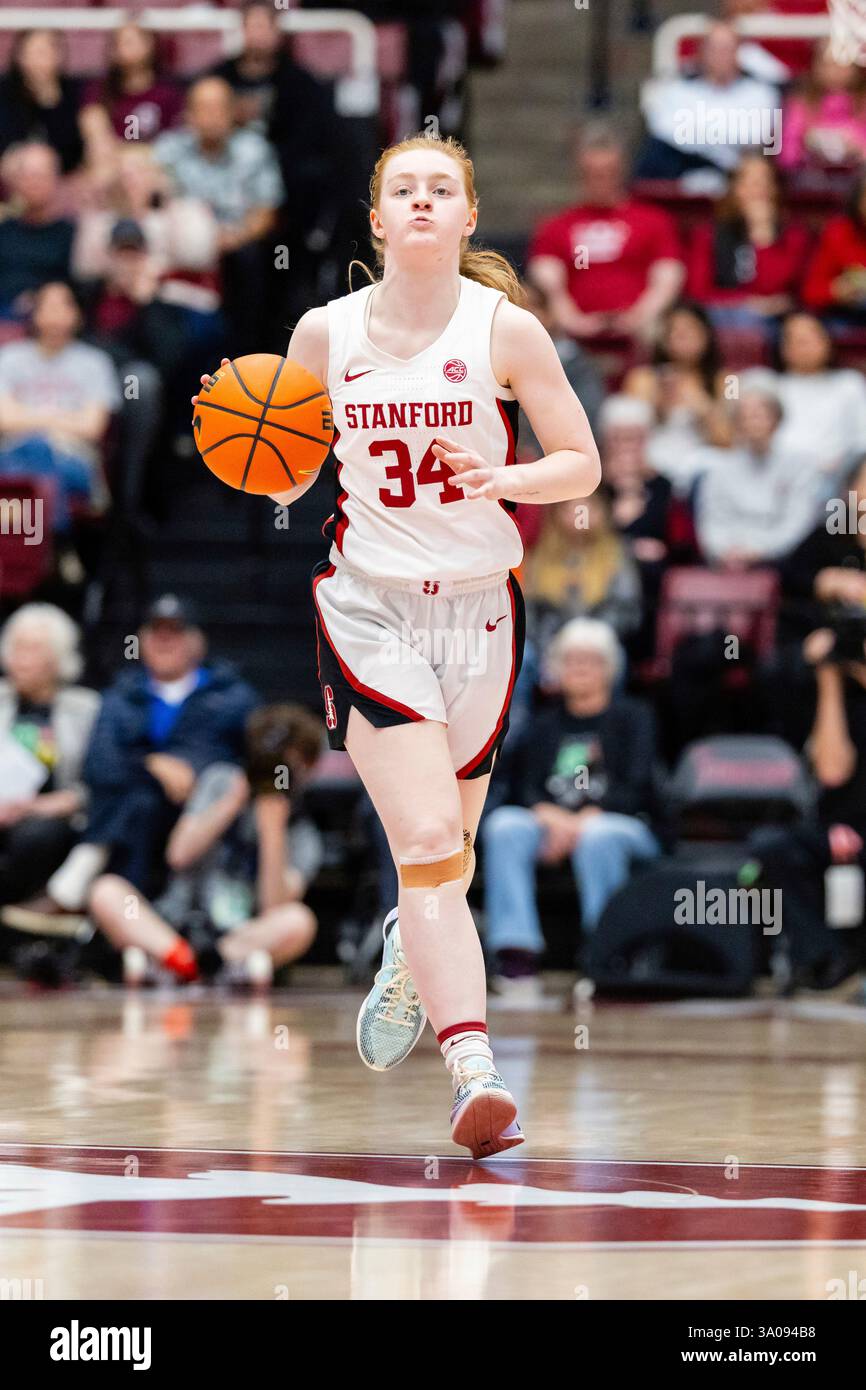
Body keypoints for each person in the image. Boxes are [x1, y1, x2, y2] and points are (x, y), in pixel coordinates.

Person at [194, 132, 600, 1158]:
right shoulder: (326, 333)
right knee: (425, 847)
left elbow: (581, 464)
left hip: (483, 610)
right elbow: (289, 473)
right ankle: (475, 1072)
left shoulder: (507, 330)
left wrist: (501, 479)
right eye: (403, 190)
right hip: (369, 606)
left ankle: (405, 954)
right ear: (378, 220)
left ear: (466, 216)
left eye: (442, 189)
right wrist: (252, 453)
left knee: (444, 863)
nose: (422, 201)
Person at [482, 619, 660, 1003]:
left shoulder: (634, 717)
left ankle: (606, 950)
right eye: (570, 660)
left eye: (591, 661)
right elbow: (524, 786)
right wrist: (549, 815)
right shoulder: (543, 725)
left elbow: (640, 785)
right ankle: (517, 954)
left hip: (620, 823)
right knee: (503, 826)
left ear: (610, 669)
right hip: (553, 821)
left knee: (598, 837)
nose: (579, 668)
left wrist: (586, 819)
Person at [88, 703, 324, 989]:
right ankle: (182, 960)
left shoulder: (303, 834)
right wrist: (230, 804)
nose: (275, 775)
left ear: (308, 769)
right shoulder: (220, 781)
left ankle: (198, 965)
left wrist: (272, 832)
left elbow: (272, 906)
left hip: (239, 934)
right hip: (176, 921)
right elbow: (178, 855)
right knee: (106, 891)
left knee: (299, 921)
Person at [49, 595, 259, 911]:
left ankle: (89, 869)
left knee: (141, 801)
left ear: (197, 642)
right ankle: (128, 913)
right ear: (141, 640)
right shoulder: (121, 693)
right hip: (134, 810)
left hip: (202, 813)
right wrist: (152, 765)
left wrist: (192, 769)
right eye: (155, 631)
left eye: (175, 631)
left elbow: (255, 761)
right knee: (138, 801)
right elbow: (99, 765)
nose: (164, 640)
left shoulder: (233, 697)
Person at [747, 623, 866, 991]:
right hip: (841, 827)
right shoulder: (829, 696)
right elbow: (831, 770)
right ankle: (828, 955)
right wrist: (829, 679)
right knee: (771, 846)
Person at [153, 77, 285, 355]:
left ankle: (246, 355)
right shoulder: (170, 150)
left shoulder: (254, 149)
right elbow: (154, 201)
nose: (212, 117)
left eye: (219, 108)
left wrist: (229, 239)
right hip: (181, 243)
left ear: (232, 113)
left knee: (252, 260)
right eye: (204, 108)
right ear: (189, 115)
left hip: (235, 243)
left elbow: (266, 211)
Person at [526, 124, 684, 348]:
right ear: (580, 173)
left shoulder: (653, 221)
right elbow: (549, 285)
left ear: (621, 171)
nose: (601, 180)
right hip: (571, 328)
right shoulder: (556, 227)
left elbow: (667, 279)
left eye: (608, 172)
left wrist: (639, 316)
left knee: (662, 334)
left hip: (642, 326)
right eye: (593, 174)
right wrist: (573, 320)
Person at [0, 605, 100, 910]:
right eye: (16, 649)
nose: (22, 660)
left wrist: (38, 806)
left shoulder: (86, 709)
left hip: (51, 817)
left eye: (33, 650)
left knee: (36, 836)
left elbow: (99, 784)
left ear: (58, 658)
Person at [0, 281, 120, 531]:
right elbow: (4, 419)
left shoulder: (95, 363)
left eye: (63, 306)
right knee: (34, 451)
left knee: (37, 463)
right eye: (48, 306)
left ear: (77, 314)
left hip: (73, 458)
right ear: (35, 314)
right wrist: (60, 419)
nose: (55, 315)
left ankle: (35, 546)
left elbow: (91, 427)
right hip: (13, 453)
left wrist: (32, 419)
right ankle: (56, 543)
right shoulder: (9, 357)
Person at [693, 385, 824, 570]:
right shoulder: (718, 469)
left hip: (784, 561)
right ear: (735, 423)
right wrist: (724, 551)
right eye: (745, 416)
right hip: (726, 559)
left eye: (760, 414)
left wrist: (759, 551)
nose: (753, 422)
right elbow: (711, 521)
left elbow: (797, 523)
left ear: (777, 419)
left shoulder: (801, 465)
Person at [636, 21, 781, 184]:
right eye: (714, 48)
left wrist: (695, 129)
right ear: (701, 52)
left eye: (727, 48)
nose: (720, 55)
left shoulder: (760, 92)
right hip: (682, 166)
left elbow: (756, 135)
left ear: (739, 53)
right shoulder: (677, 90)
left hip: (737, 172)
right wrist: (725, 133)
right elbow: (662, 130)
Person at [685, 154, 811, 340]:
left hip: (778, 322)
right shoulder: (708, 235)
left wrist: (762, 238)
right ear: (733, 189)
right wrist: (745, 303)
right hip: (722, 317)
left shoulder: (794, 236)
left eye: (766, 182)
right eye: (750, 182)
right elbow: (698, 292)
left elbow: (795, 291)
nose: (760, 190)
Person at [622, 300, 729, 488]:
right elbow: (627, 440)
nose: (681, 336)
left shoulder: (726, 381)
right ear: (662, 338)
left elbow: (728, 441)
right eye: (674, 330)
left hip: (705, 472)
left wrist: (702, 406)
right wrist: (659, 405)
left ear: (706, 335)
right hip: (650, 470)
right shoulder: (641, 379)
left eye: (689, 329)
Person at [522, 488, 642, 653]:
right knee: (525, 654)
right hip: (548, 644)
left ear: (602, 511)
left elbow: (626, 609)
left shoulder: (617, 553)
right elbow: (529, 608)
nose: (579, 515)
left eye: (588, 506)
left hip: (600, 643)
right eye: (570, 507)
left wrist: (590, 636)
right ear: (557, 513)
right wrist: (553, 640)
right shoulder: (540, 555)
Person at [0, 143, 75, 321]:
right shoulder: (4, 231)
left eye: (41, 176)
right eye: (27, 176)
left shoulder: (72, 234)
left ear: (56, 179)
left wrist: (38, 300)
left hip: (51, 326)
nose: (34, 183)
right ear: (15, 182)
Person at [80, 20, 184, 147]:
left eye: (129, 42)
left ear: (149, 44)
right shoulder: (100, 90)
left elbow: (176, 140)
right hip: (113, 159)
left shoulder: (167, 94)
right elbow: (95, 134)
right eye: (118, 43)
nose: (122, 49)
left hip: (154, 160)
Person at [0, 29, 83, 174]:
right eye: (34, 52)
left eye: (46, 52)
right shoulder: (5, 91)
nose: (40, 60)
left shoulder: (74, 92)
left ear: (59, 56)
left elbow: (72, 147)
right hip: (12, 173)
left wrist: (50, 99)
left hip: (63, 175)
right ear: (20, 57)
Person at [777, 40, 866, 173]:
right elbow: (786, 158)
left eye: (841, 63)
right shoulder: (801, 103)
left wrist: (857, 148)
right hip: (812, 183)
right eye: (827, 64)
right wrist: (805, 143)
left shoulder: (862, 104)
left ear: (855, 66)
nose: (834, 71)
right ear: (815, 66)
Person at [802, 169, 866, 324]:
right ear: (858, 202)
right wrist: (835, 291)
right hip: (847, 314)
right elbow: (811, 291)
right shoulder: (839, 233)